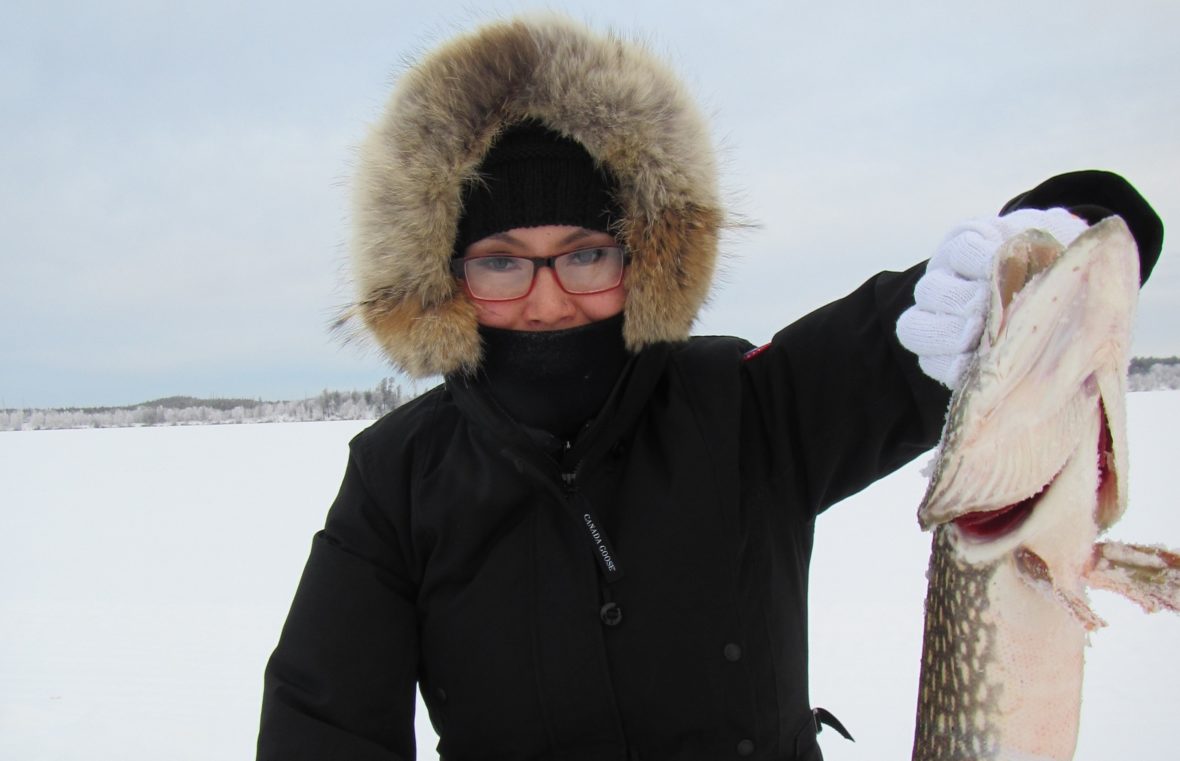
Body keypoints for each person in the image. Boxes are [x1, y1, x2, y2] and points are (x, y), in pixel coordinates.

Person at [257, 14, 1164, 761]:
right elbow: (323, 727)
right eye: (501, 261)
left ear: (639, 254)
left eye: (584, 251)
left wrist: (1042, 245)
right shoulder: (397, 476)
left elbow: (912, 335)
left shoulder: (744, 406)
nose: (547, 297)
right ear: (449, 277)